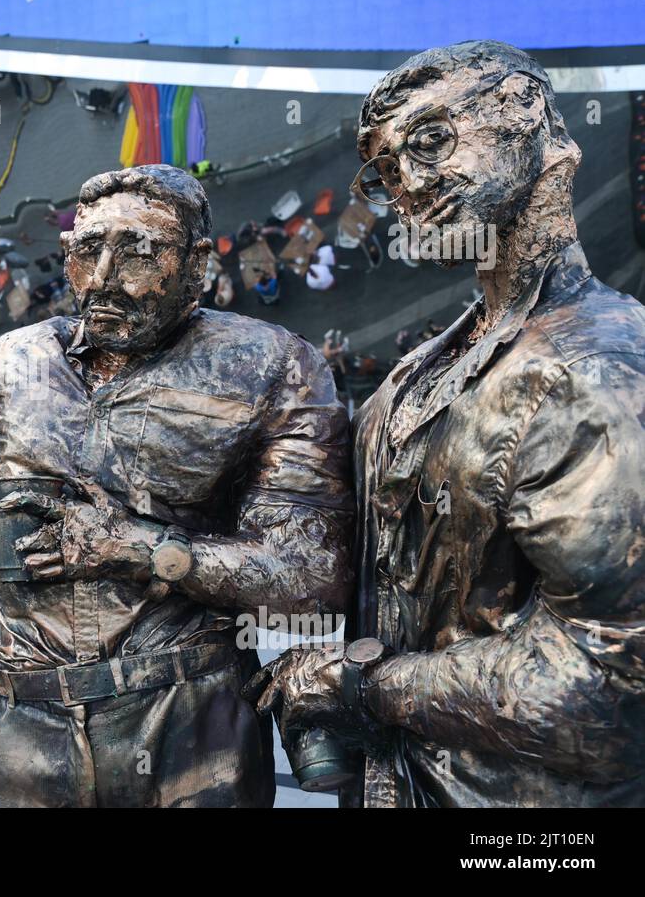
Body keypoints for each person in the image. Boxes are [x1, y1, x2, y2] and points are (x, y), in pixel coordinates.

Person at [252, 40, 645, 807]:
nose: (409, 185)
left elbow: (613, 691)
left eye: (430, 141)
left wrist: (363, 686)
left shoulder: (604, 369)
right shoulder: (412, 376)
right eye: (387, 170)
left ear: (525, 111)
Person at [0, 165, 353, 807]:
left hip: (187, 736)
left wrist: (133, 546)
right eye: (86, 250)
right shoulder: (10, 362)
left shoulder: (273, 366)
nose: (102, 278)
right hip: (15, 738)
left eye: (138, 251)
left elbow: (310, 579)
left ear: (195, 265)